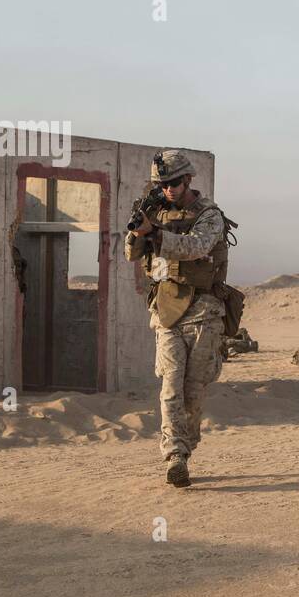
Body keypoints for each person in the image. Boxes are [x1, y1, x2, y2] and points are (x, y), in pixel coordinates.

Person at [124, 149, 232, 488]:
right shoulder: (156, 212)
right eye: (162, 184)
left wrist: (155, 234)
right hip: (167, 309)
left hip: (203, 310)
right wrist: (139, 231)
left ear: (188, 180)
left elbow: (196, 247)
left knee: (193, 390)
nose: (168, 189)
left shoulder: (209, 214)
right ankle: (175, 455)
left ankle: (186, 442)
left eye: (173, 183)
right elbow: (131, 254)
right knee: (170, 385)